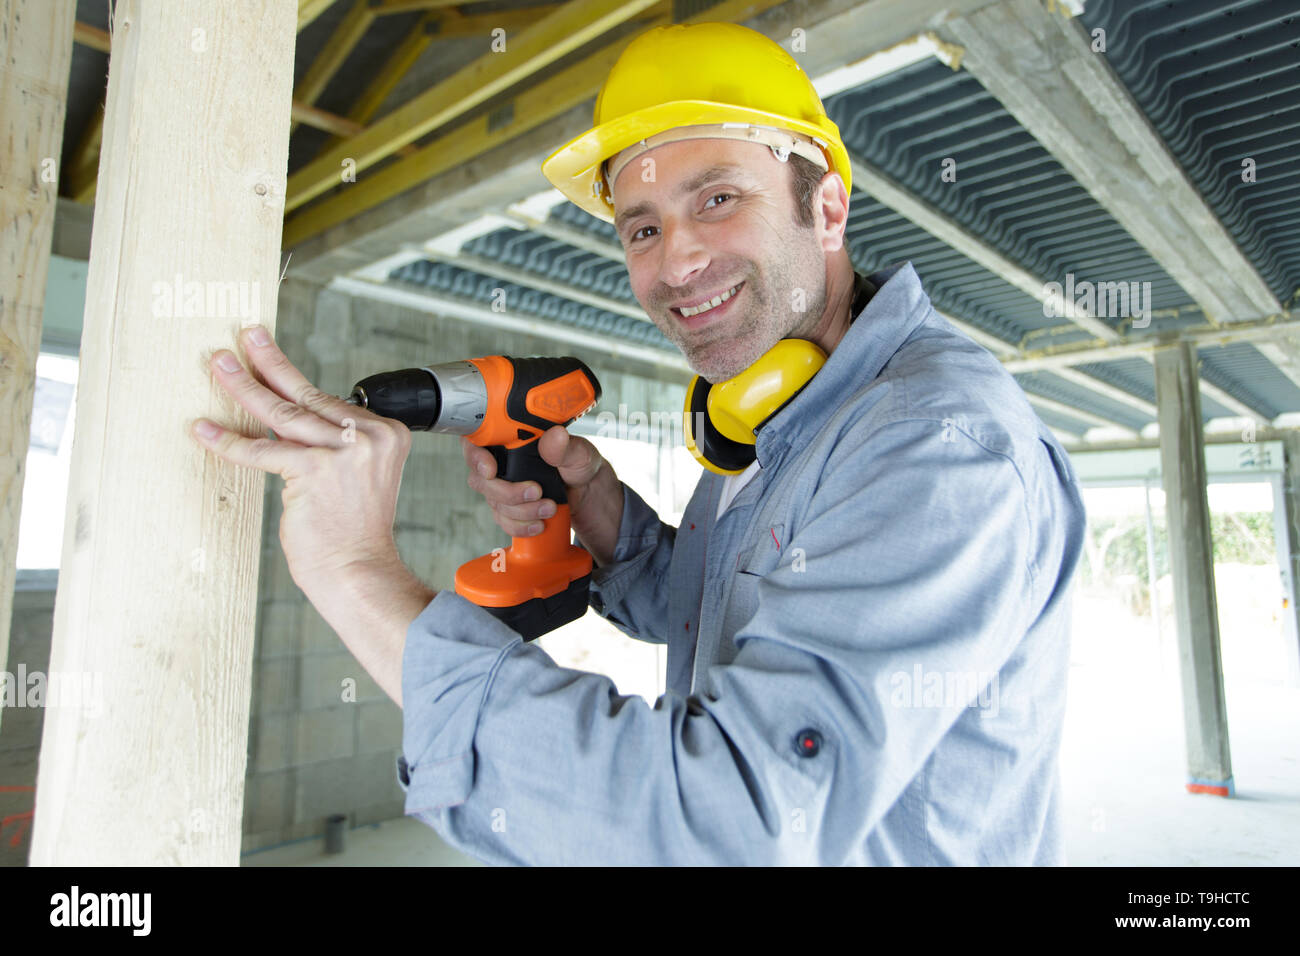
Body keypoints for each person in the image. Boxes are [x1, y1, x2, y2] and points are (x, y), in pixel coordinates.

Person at [192, 22, 1086, 865]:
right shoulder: (771, 409)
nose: (677, 263)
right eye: (643, 228)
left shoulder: (936, 448)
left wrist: (359, 575)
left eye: (719, 199)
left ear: (828, 208)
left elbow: (727, 825)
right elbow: (731, 616)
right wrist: (612, 523)